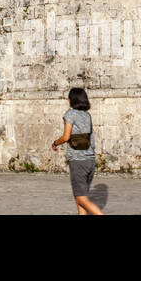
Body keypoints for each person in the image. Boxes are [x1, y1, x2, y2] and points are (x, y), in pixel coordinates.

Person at [51, 87, 103, 215]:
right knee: (80, 198)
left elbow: (66, 137)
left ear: (72, 100)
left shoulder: (70, 114)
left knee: (81, 198)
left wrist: (55, 143)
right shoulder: (87, 115)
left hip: (78, 161)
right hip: (90, 160)